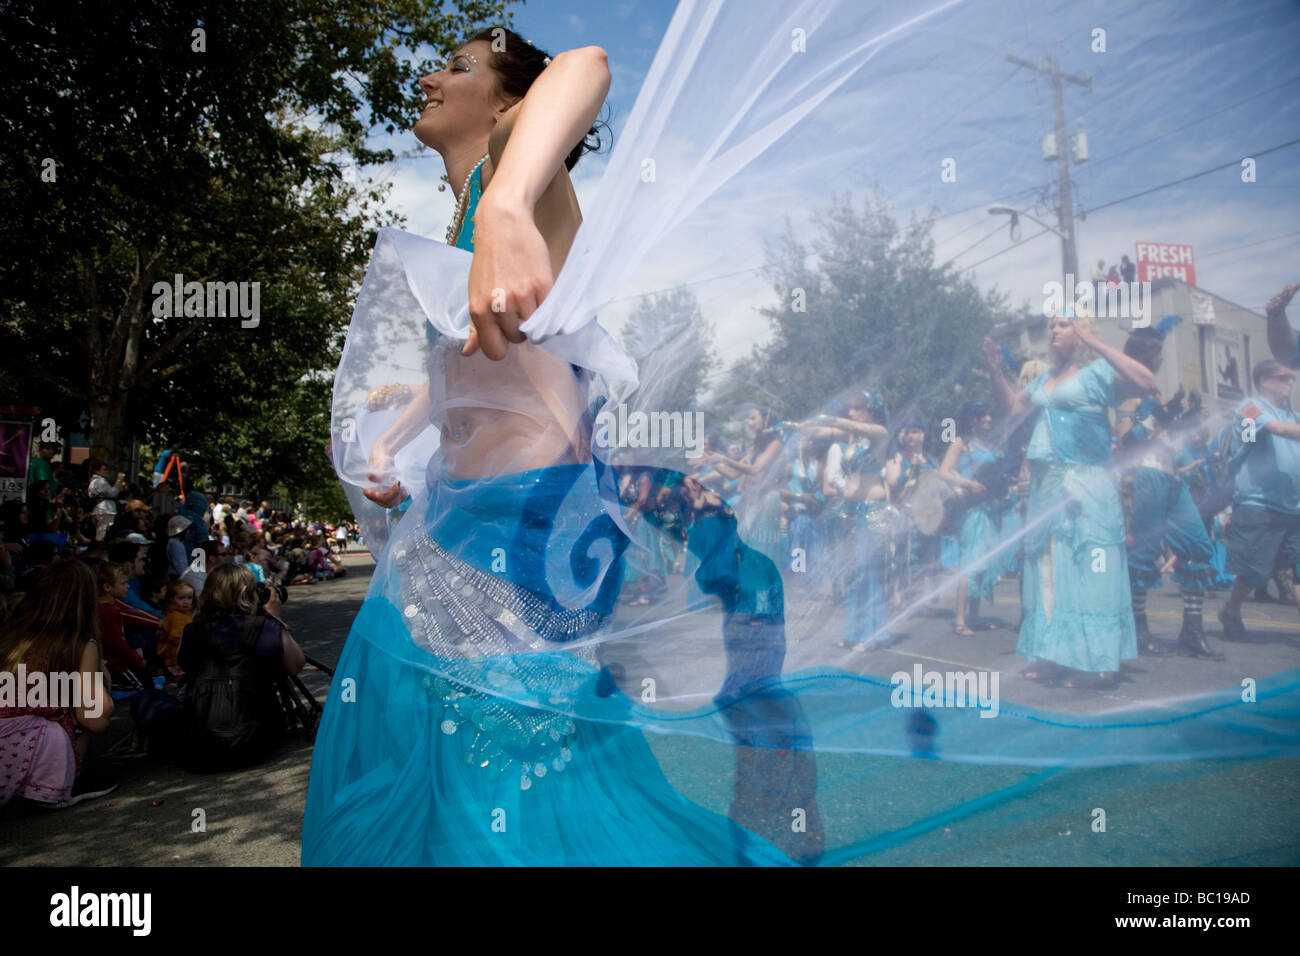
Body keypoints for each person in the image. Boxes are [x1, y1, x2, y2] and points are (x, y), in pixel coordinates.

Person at [304, 27, 818, 866]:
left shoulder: (523, 187)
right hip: (451, 515)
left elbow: (588, 66)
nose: (429, 76)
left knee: (511, 752)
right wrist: (392, 445)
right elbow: (463, 373)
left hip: (526, 524)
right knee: (432, 732)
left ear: (509, 105)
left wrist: (509, 203)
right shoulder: (466, 213)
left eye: (459, 66)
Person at [983, 313, 1156, 688]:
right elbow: (1013, 409)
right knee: (1051, 570)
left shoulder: (1097, 375)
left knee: (1091, 567)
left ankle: (1098, 660)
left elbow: (1146, 380)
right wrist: (996, 371)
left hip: (1087, 483)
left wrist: (1095, 343)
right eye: (1053, 326)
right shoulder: (1046, 378)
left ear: (1080, 331)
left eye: (1064, 324)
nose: (1054, 330)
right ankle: (1056, 653)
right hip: (1048, 486)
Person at [1114, 328, 1221, 659]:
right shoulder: (1126, 394)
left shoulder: (1154, 391)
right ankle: (1138, 627)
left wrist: (1186, 416)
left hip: (1173, 476)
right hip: (1147, 474)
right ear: (1146, 355)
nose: (1161, 358)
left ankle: (1192, 630)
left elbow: (1169, 435)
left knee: (1198, 546)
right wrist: (1163, 414)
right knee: (1144, 553)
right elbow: (1125, 442)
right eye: (1158, 352)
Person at [1, 559, 117, 808]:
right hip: (34, 748)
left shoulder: (11, 637)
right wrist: (102, 678)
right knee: (80, 714)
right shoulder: (79, 643)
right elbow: (95, 717)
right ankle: (65, 780)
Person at [177, 563, 305, 771]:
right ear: (248, 594)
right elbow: (296, 665)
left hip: (203, 746)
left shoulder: (193, 631)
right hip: (255, 742)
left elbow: (185, 664)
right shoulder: (265, 628)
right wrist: (275, 619)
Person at [1218, 359, 1300, 639]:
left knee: (1296, 567)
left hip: (1293, 504)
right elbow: (1276, 429)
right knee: (1254, 571)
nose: (1291, 381)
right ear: (1265, 380)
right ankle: (1231, 610)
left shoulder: (1293, 415)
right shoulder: (1249, 408)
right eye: (1284, 377)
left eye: (1291, 378)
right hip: (1259, 502)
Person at [939, 401, 1004, 636]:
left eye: (988, 415)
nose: (988, 419)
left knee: (983, 562)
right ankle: (959, 620)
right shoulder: (960, 443)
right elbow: (943, 471)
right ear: (973, 420)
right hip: (969, 510)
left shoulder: (986, 444)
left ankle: (973, 617)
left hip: (987, 508)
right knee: (969, 562)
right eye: (983, 416)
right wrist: (968, 483)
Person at [85, 459, 128, 543]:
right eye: (104, 469)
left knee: (102, 535)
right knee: (102, 536)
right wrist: (119, 480)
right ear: (96, 471)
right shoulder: (99, 481)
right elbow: (112, 493)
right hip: (105, 511)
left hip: (102, 510)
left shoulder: (97, 481)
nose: (107, 471)